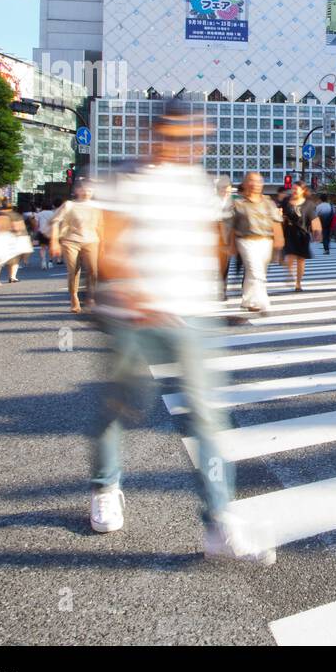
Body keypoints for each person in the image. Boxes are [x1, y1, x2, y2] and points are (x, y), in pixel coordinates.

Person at [89, 108, 273, 562]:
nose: (189, 145)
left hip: (191, 315)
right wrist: (136, 293)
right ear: (157, 134)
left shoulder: (198, 183)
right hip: (132, 314)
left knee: (208, 418)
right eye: (179, 135)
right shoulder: (124, 180)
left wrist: (211, 300)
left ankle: (219, 522)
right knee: (121, 407)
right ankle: (106, 486)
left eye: (196, 137)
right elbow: (109, 246)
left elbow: (212, 241)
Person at [231, 172, 282, 314]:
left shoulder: (268, 202)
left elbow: (276, 221)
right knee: (256, 270)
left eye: (258, 181)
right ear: (245, 183)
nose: (255, 184)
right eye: (252, 181)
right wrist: (230, 244)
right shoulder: (238, 203)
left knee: (253, 272)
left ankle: (247, 300)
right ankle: (263, 301)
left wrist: (279, 240)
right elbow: (230, 226)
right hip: (245, 240)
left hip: (265, 240)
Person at [50, 182, 102, 312]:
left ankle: (91, 297)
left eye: (90, 189)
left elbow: (101, 226)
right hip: (71, 241)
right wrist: (54, 241)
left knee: (93, 271)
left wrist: (104, 243)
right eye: (83, 189)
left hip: (91, 240)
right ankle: (74, 298)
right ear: (77, 191)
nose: (86, 192)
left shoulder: (97, 206)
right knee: (73, 270)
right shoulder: (69, 205)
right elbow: (55, 222)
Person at [281, 183, 321, 292]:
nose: (293, 190)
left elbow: (314, 219)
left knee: (300, 260)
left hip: (303, 234)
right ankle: (290, 273)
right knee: (289, 256)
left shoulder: (309, 204)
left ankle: (298, 283)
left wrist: (317, 232)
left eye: (296, 189)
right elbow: (280, 214)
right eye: (292, 188)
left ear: (303, 190)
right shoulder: (286, 201)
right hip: (289, 232)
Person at [35, 198, 61, 270]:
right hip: (51, 232)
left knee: (43, 248)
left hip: (42, 232)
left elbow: (36, 225)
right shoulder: (53, 214)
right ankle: (50, 261)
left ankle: (43, 261)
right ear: (51, 206)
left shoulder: (39, 214)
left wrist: (37, 231)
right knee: (51, 248)